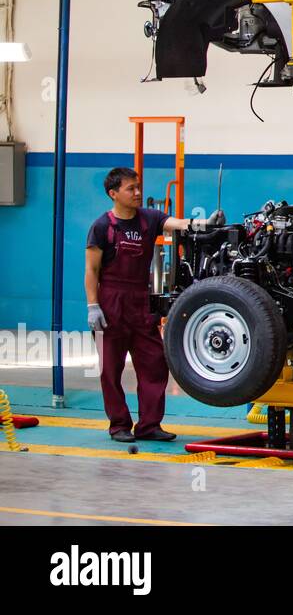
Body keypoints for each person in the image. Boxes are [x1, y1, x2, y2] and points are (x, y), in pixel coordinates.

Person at [86, 167, 224, 443]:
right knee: (110, 369)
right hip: (111, 301)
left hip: (140, 300)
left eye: (138, 187)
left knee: (154, 363)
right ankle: (119, 425)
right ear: (113, 194)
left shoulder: (149, 219)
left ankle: (149, 425)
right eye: (130, 189)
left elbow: (180, 223)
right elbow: (91, 269)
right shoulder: (102, 227)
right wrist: (93, 306)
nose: (137, 193)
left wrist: (205, 223)